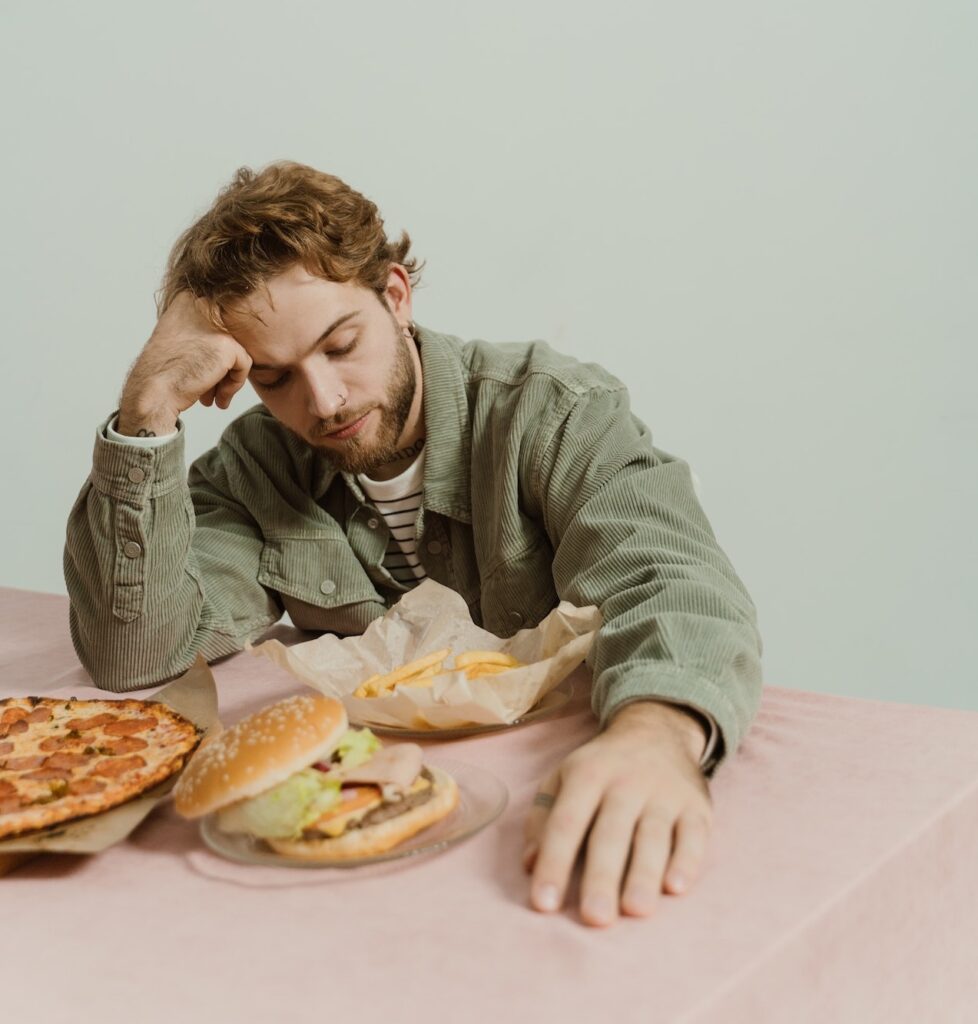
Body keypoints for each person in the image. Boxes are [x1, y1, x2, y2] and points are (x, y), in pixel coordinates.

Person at [65, 161, 763, 927]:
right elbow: (135, 654)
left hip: (540, 832)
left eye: (341, 345)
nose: (324, 401)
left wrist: (657, 735)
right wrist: (146, 412)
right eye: (275, 378)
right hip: (353, 873)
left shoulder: (552, 412)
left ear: (395, 296)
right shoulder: (252, 470)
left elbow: (669, 579)